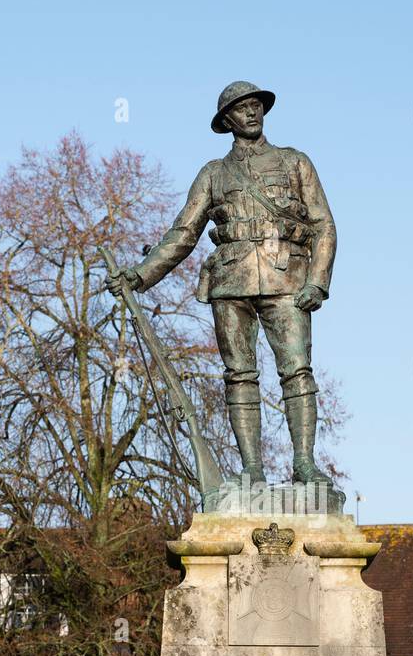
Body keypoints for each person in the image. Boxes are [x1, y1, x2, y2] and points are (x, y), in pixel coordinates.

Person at [105, 81, 337, 491]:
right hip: (230, 283)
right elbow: (183, 233)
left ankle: (304, 463)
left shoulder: (295, 162)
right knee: (239, 375)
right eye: (241, 109)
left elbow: (324, 225)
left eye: (255, 106)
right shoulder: (213, 174)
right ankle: (252, 470)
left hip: (288, 279)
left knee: (297, 371)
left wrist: (318, 281)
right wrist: (140, 274)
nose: (251, 113)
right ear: (226, 120)